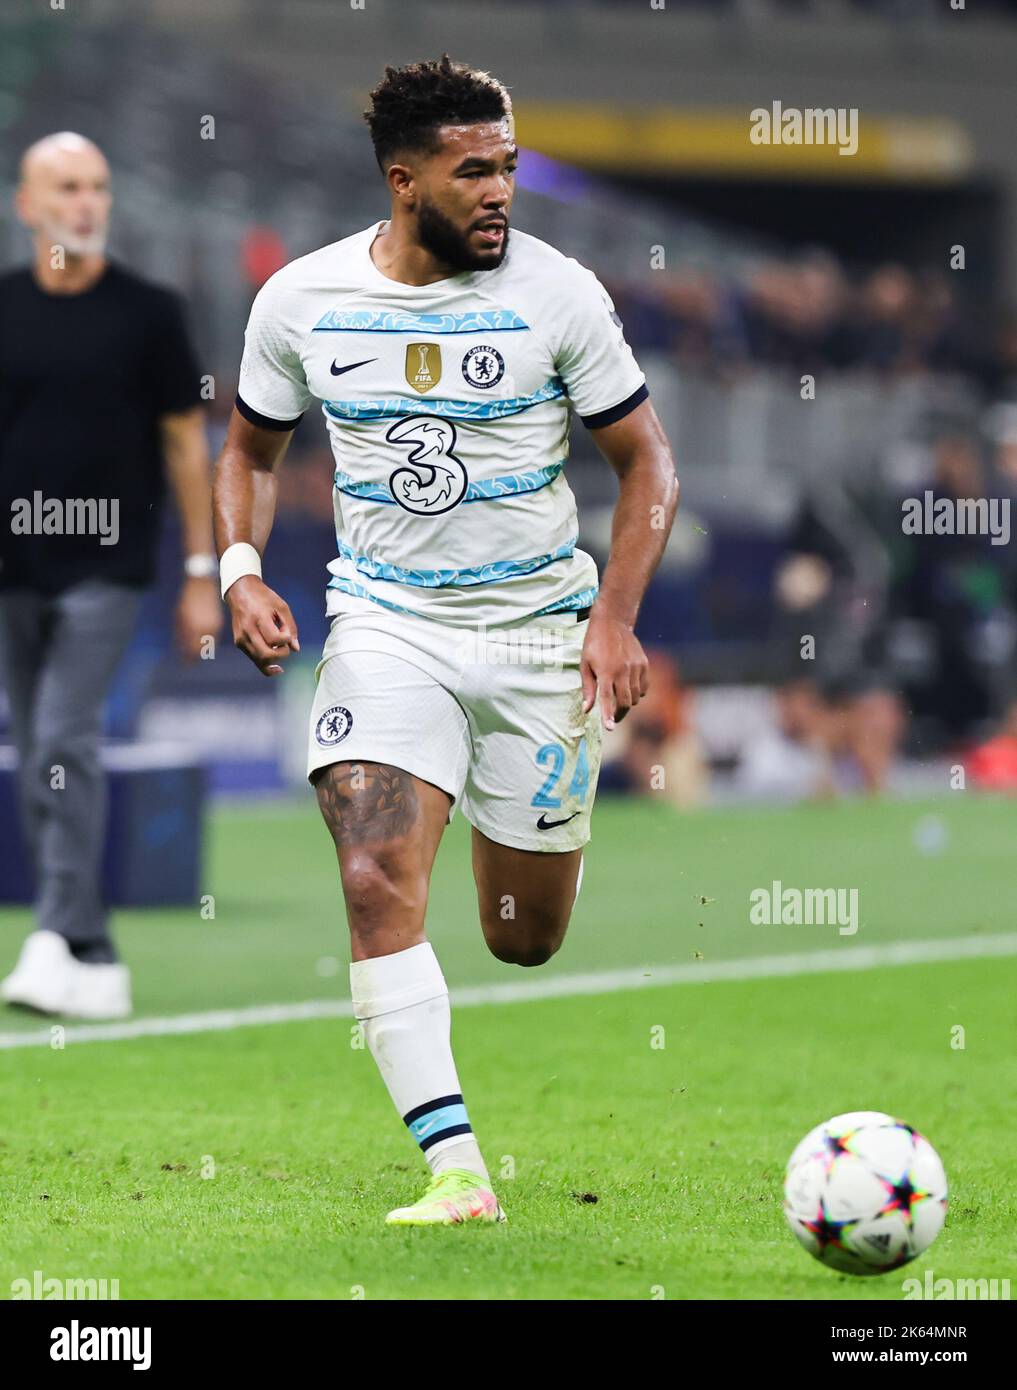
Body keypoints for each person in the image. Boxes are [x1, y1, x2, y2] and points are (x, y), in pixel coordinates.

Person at [213, 56, 679, 1226]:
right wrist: (239, 571)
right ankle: (457, 1172)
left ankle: (494, 806)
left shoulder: (558, 293)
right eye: (476, 171)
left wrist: (613, 618)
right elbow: (248, 453)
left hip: (536, 636)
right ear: (403, 177)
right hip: (386, 623)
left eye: (511, 168)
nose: (500, 192)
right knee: (373, 874)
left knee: (522, 936)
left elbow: (647, 463)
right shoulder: (303, 300)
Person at [0, 132, 221, 1020]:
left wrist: (203, 571)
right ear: (28, 205)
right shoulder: (4, 306)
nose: (84, 203)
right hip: (14, 564)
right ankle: (92, 951)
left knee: (62, 736)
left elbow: (184, 446)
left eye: (96, 187)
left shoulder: (150, 313)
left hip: (109, 563)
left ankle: (56, 933)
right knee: (33, 751)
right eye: (65, 188)